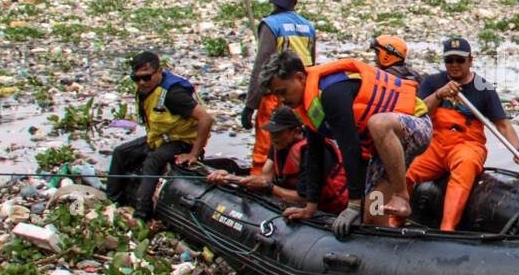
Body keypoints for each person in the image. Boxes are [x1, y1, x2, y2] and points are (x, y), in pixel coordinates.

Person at [260, 49, 432, 238]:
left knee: (378, 123)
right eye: (277, 95)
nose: (282, 100)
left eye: (283, 92)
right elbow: (314, 154)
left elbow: (350, 147)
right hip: (385, 153)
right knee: (373, 213)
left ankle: (401, 195)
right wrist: (310, 206)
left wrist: (353, 204)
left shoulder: (332, 93)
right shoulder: (308, 107)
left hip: (415, 127)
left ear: (300, 77)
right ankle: (387, 250)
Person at [405, 37, 519, 232]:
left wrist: (518, 149)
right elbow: (418, 114)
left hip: (467, 145)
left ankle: (447, 228)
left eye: (460, 60)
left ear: (470, 60)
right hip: (435, 143)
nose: (454, 65)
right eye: (450, 60)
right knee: (405, 169)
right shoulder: (433, 82)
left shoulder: (484, 88)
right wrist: (439, 94)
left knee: (465, 164)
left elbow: (503, 125)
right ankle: (393, 222)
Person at [107, 51, 214, 222]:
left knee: (153, 161)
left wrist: (194, 153)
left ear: (159, 71)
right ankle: (112, 200)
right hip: (159, 137)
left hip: (182, 140)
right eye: (137, 79)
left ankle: (141, 216)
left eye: (147, 77)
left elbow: (206, 119)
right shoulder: (146, 88)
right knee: (121, 152)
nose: (142, 83)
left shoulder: (173, 94)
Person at [205, 106, 347, 213]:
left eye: (278, 132)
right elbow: (266, 177)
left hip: (330, 207)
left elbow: (306, 199)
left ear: (295, 131)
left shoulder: (312, 152)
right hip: (295, 198)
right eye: (272, 132)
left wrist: (269, 188)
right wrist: (231, 179)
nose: (273, 137)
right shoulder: (278, 145)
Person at [243, 0, 316, 174]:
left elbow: (262, 67)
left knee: (267, 143)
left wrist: (250, 104)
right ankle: (291, 176)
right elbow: (312, 64)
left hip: (274, 96)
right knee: (296, 138)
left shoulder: (271, 24)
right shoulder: (308, 27)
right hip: (302, 95)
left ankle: (259, 178)